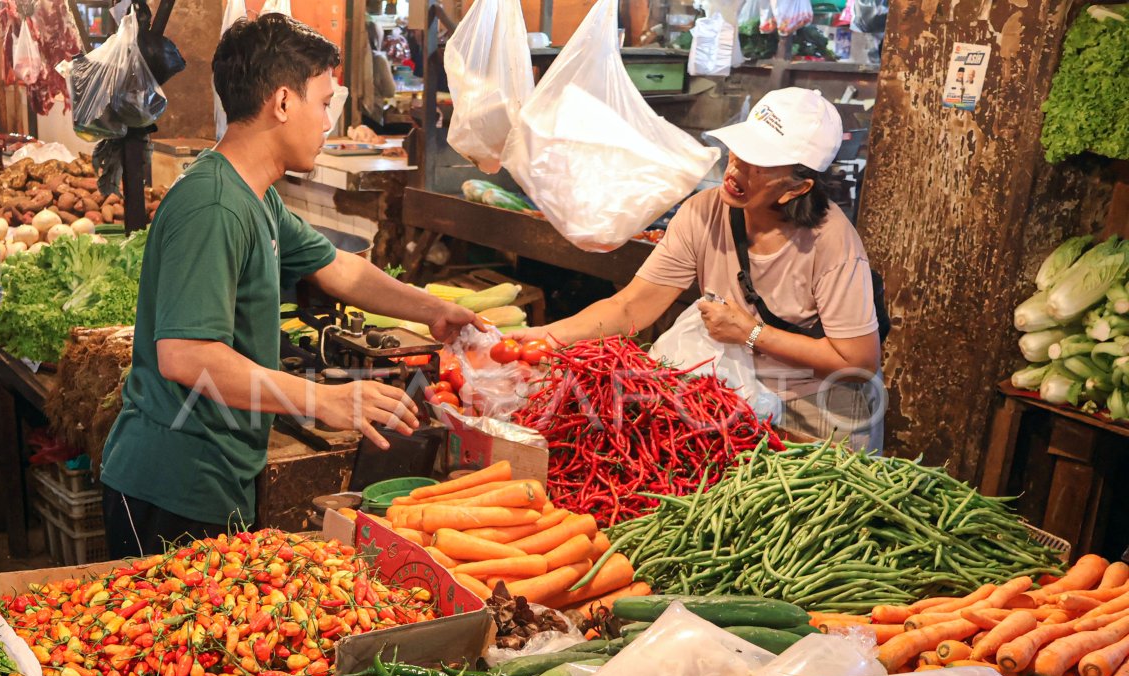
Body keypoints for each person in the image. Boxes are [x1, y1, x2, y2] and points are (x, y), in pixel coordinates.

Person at [100, 14, 480, 557]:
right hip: (171, 485)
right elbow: (185, 355)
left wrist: (433, 309)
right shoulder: (213, 207)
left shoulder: (256, 194)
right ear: (282, 102)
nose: (329, 122)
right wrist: (321, 399)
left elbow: (340, 269)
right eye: (324, 103)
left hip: (220, 473)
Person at [514, 87, 883, 450]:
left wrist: (751, 333)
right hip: (738, 393)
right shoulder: (704, 212)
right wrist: (541, 338)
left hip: (815, 403)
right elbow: (632, 305)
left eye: (757, 165)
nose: (735, 168)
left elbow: (857, 361)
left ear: (795, 188)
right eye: (739, 151)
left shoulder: (832, 243)